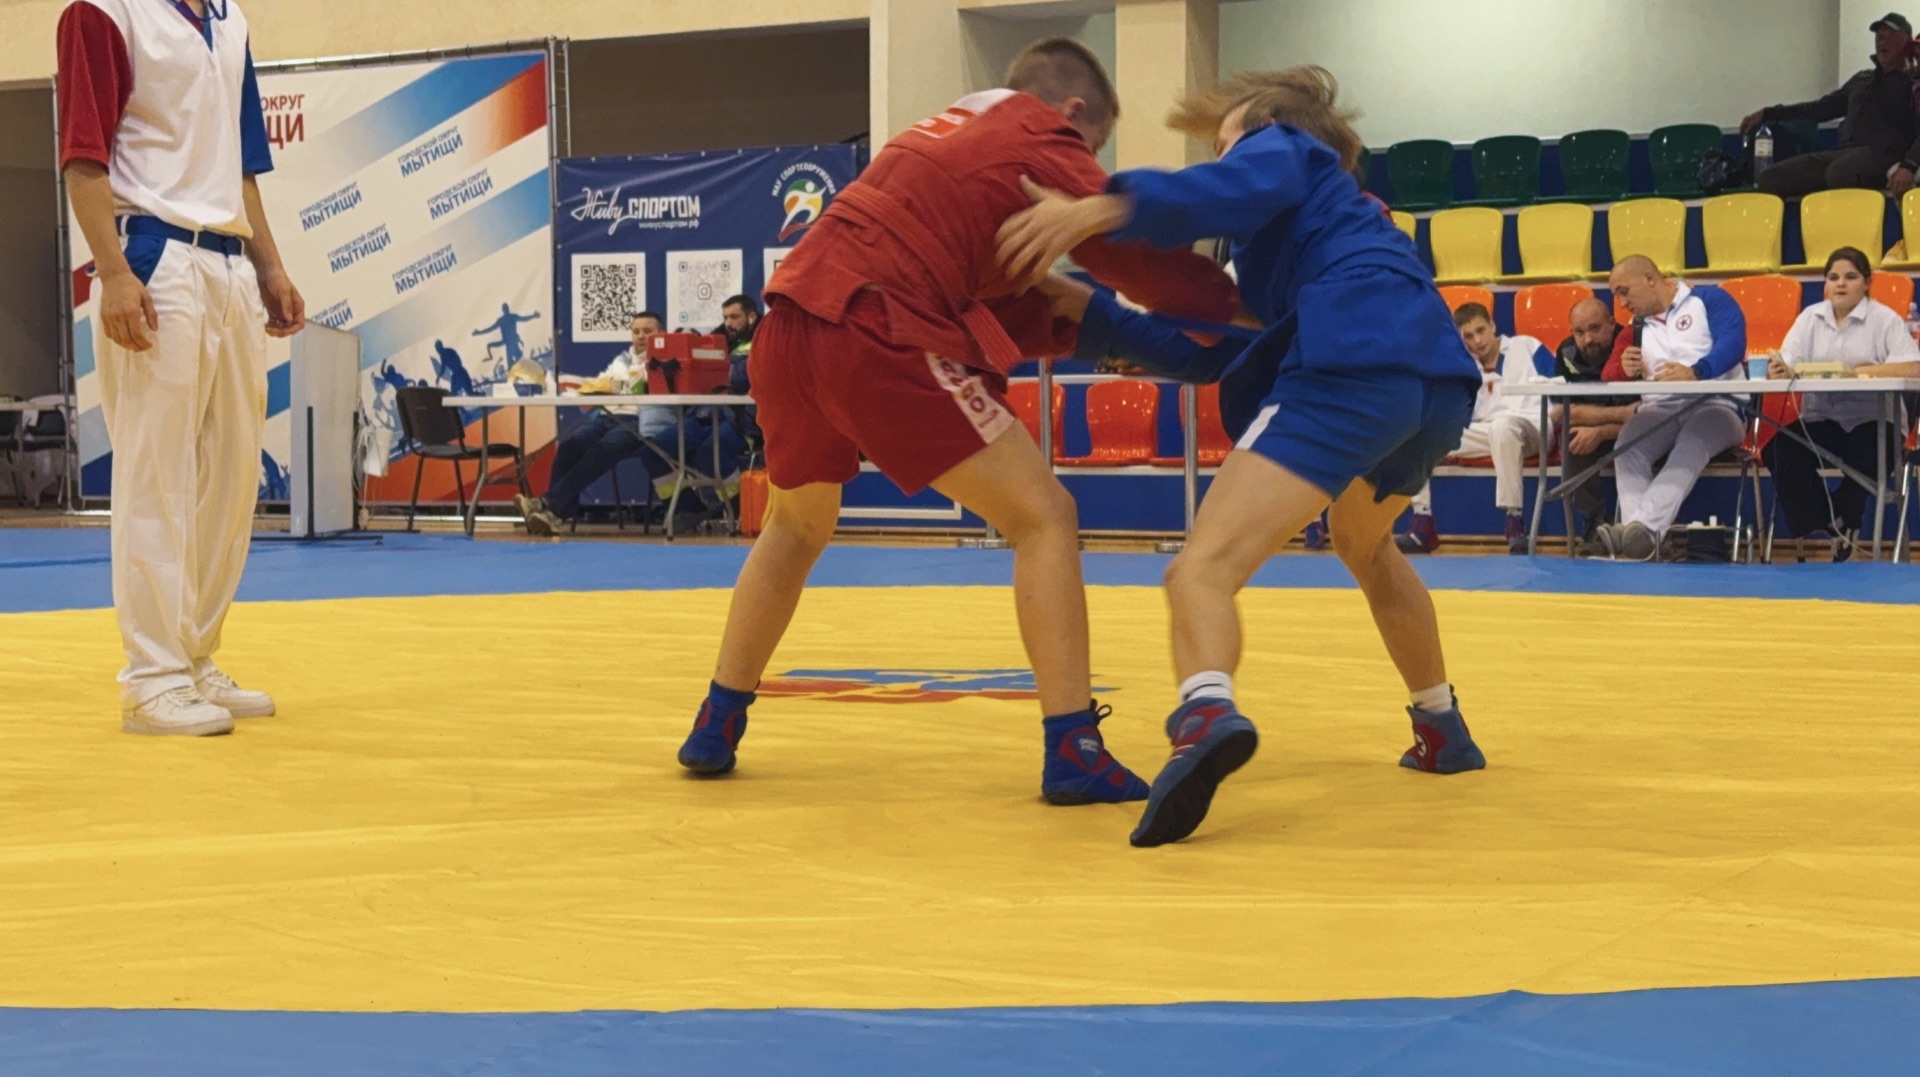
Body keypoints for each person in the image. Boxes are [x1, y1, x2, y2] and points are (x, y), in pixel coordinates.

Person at [673, 38, 1240, 807]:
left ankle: (717, 721)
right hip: (872, 327)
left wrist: (1162, 343)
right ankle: (1074, 747)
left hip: (790, 325)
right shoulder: (1040, 133)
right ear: (1073, 112)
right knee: (1044, 516)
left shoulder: (942, 135)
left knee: (796, 526)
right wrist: (1237, 310)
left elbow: (1027, 299)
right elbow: (1129, 253)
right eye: (1095, 145)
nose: (1087, 170)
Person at [997, 65, 1488, 848]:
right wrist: (1097, 315)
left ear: (1264, 130)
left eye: (1226, 142)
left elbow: (1230, 188)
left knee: (1199, 571)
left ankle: (1204, 711)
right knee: (1365, 545)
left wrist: (1102, 205)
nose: (1221, 156)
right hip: (1435, 386)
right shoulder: (1323, 229)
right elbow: (1221, 349)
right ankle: (1441, 724)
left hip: (1355, 367)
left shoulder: (1283, 148)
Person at [58, 0, 306, 736]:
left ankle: (194, 656)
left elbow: (243, 165)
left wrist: (270, 266)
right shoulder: (103, 11)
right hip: (153, 253)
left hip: (228, 259)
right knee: (156, 472)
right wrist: (113, 272)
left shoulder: (230, 20)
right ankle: (152, 678)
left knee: (232, 474)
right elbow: (83, 156)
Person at [1764, 247, 1920, 559]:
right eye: (1833, 278)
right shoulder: (1810, 318)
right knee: (1779, 449)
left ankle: (1845, 515)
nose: (1841, 284)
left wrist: (1862, 372)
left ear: (1867, 282)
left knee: (1868, 451)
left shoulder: (1884, 320)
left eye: (1850, 277)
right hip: (1822, 420)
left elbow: (1913, 366)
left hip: (1875, 421)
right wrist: (1779, 369)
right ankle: (1831, 519)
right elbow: (1787, 361)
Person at [1595, 256, 1747, 561]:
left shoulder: (1708, 300)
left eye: (1624, 291)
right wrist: (1624, 369)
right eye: (1616, 295)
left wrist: (1697, 371)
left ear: (1649, 278)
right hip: (1661, 409)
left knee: (1693, 439)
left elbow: (1733, 343)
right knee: (1627, 445)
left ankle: (1644, 530)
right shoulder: (1636, 326)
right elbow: (1609, 372)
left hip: (1719, 405)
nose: (1622, 303)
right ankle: (1639, 540)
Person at [1395, 302, 1552, 556]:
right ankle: (1423, 522)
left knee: (1503, 427)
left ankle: (1514, 520)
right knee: (1420, 435)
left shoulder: (1527, 346)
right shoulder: (1464, 367)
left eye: (1481, 331)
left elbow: (1560, 388)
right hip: (1488, 433)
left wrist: (1555, 420)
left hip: (1534, 426)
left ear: (1493, 326)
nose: (1477, 341)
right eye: (1468, 336)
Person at [518, 311, 679, 535]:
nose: (640, 336)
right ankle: (556, 512)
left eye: (647, 331)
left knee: (602, 449)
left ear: (661, 333)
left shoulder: (670, 361)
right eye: (636, 331)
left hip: (641, 422)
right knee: (571, 445)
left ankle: (549, 506)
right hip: (608, 417)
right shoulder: (621, 360)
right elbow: (601, 384)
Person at [1742, 13, 1920, 198]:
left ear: (1905, 41)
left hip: (1885, 152)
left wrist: (1909, 164)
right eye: (1879, 36)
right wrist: (1767, 113)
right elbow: (1818, 109)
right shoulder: (1862, 80)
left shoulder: (1913, 83)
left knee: (1840, 172)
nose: (1882, 42)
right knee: (1771, 178)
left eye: (1890, 36)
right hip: (1844, 152)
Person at [1554, 297, 1638, 544]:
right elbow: (1568, 413)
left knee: (1647, 429)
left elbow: (1646, 413)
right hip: (1602, 429)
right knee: (1571, 438)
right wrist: (1619, 416)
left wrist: (1602, 430)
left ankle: (1641, 526)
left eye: (1594, 329)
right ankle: (1594, 524)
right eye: (1579, 332)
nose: (1587, 339)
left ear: (1612, 323)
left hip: (1640, 431)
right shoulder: (1566, 352)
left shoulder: (1633, 346)